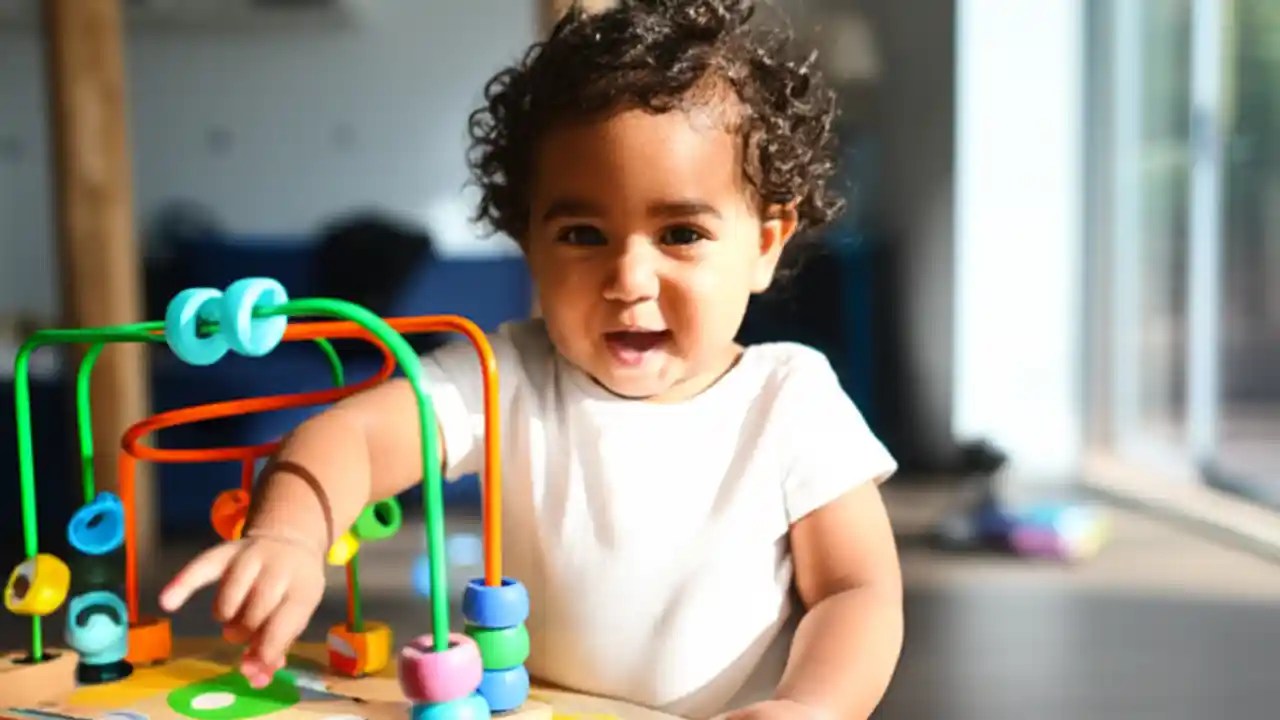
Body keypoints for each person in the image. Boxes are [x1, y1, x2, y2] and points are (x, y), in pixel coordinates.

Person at [159, 1, 903, 717]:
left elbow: (855, 590)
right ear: (528, 245)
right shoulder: (502, 375)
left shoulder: (789, 401)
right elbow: (351, 435)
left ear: (765, 245)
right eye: (583, 234)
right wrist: (289, 533)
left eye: (680, 234)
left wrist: (812, 706)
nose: (628, 280)